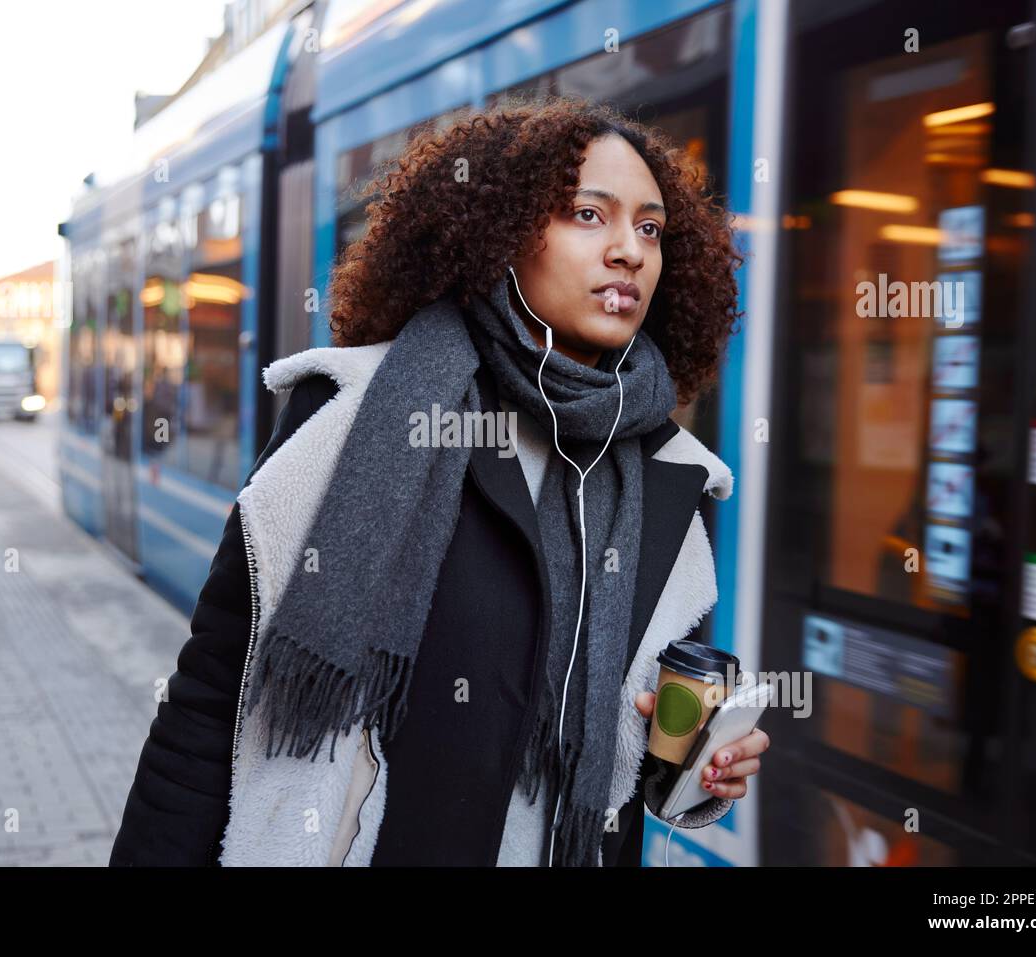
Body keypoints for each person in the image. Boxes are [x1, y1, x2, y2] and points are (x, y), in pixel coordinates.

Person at [110, 94, 769, 867]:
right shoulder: (353, 415)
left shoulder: (667, 482)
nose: (629, 250)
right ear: (502, 235)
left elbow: (634, 773)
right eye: (589, 216)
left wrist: (699, 774)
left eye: (651, 228)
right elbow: (208, 708)